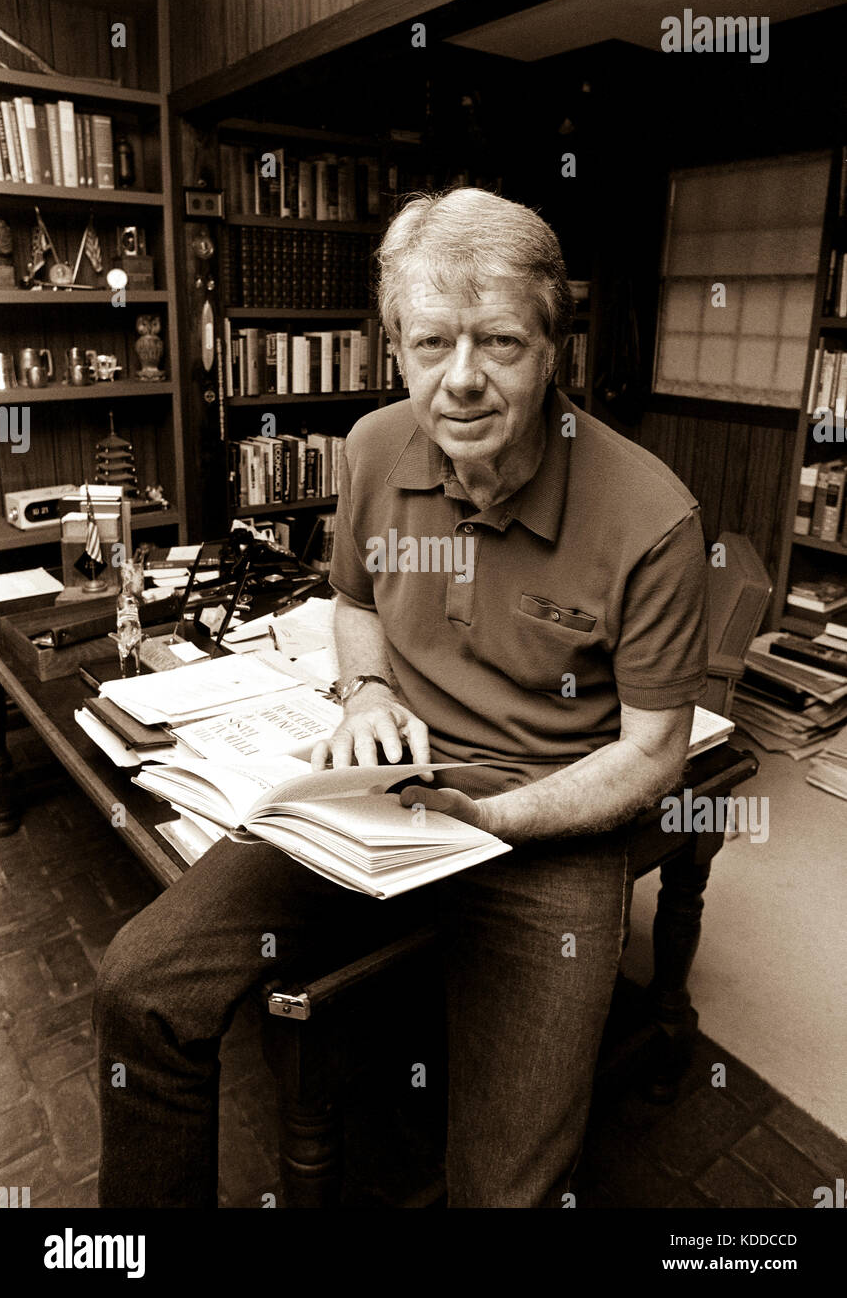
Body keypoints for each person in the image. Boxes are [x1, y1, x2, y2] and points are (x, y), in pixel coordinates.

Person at [94, 188, 708, 1208]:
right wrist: (369, 692)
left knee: (504, 1191)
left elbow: (652, 754)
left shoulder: (652, 518)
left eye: (498, 341)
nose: (459, 378)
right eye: (430, 343)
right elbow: (352, 600)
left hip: (543, 825)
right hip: (385, 792)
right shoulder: (375, 448)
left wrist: (493, 819)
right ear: (395, 349)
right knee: (141, 989)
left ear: (552, 347)